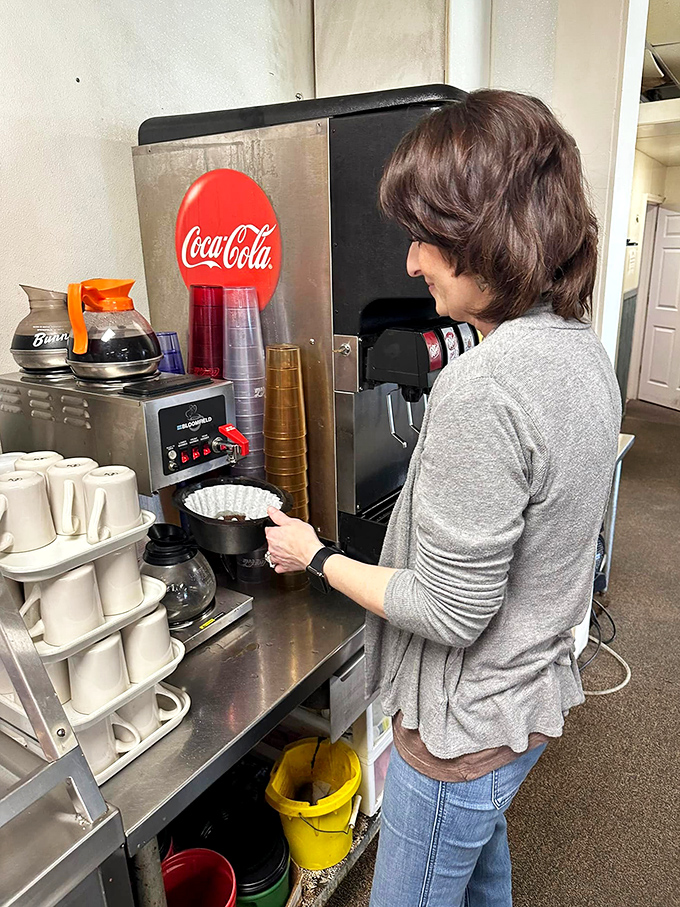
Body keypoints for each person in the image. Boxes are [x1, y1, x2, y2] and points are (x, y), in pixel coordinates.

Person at [265, 90, 621, 907]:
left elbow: (452, 610)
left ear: (485, 238)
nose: (410, 261)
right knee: (481, 872)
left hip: (460, 735)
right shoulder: (581, 351)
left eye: (426, 237)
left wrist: (315, 554)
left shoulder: (483, 386)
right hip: (522, 708)